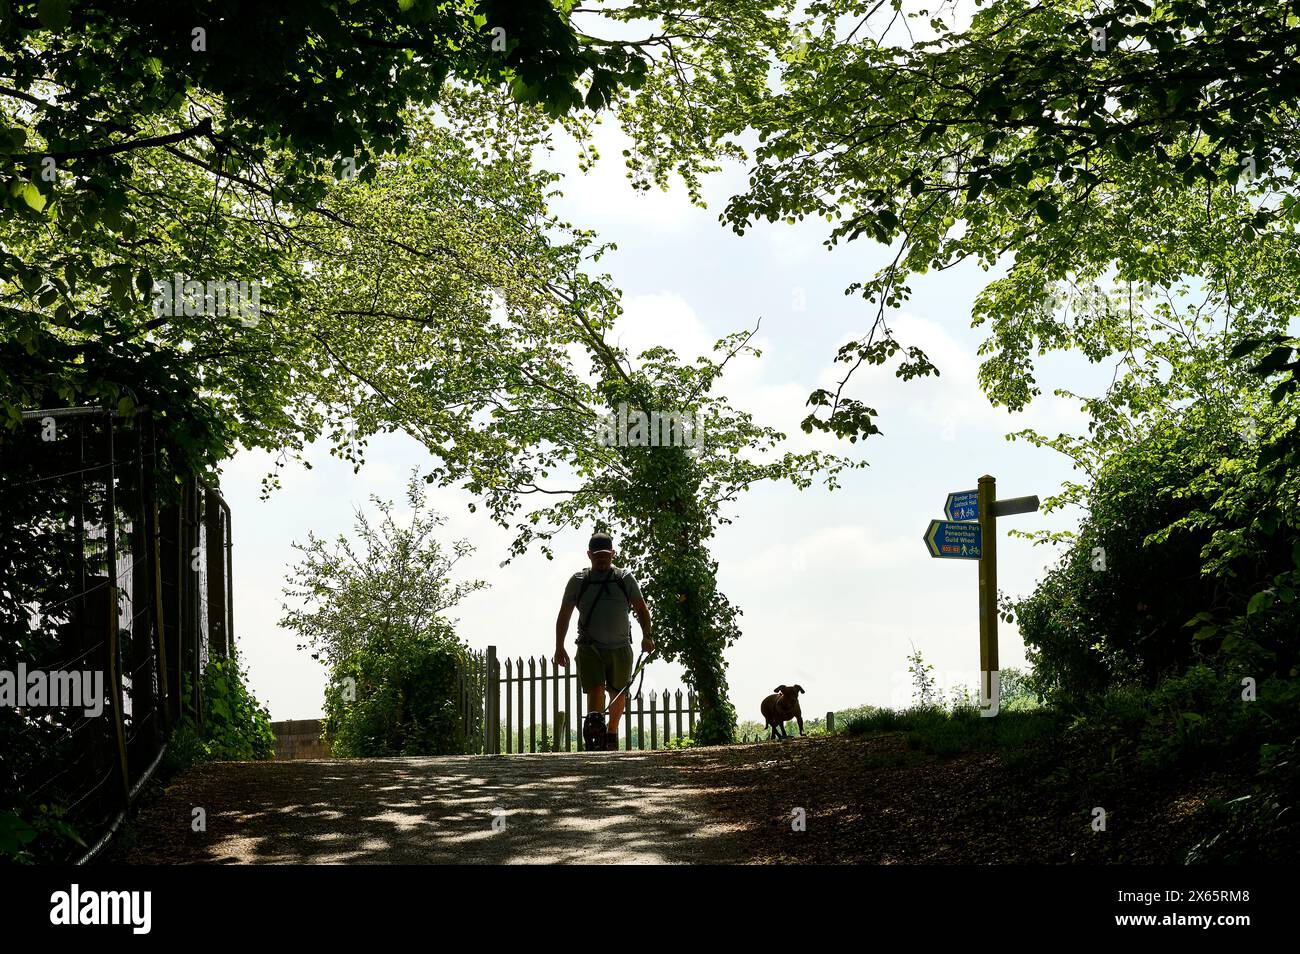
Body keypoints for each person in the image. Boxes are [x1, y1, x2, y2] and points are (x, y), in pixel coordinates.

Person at [553, 532, 654, 750]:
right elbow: (564, 614)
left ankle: (612, 732)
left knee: (618, 693)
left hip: (620, 647)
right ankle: (595, 735)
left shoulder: (624, 578)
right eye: (597, 555)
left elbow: (641, 608)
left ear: (613, 554)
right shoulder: (579, 581)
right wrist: (559, 646)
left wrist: (647, 635)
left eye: (606, 555)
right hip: (590, 647)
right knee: (596, 689)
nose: (602, 559)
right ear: (589, 555)